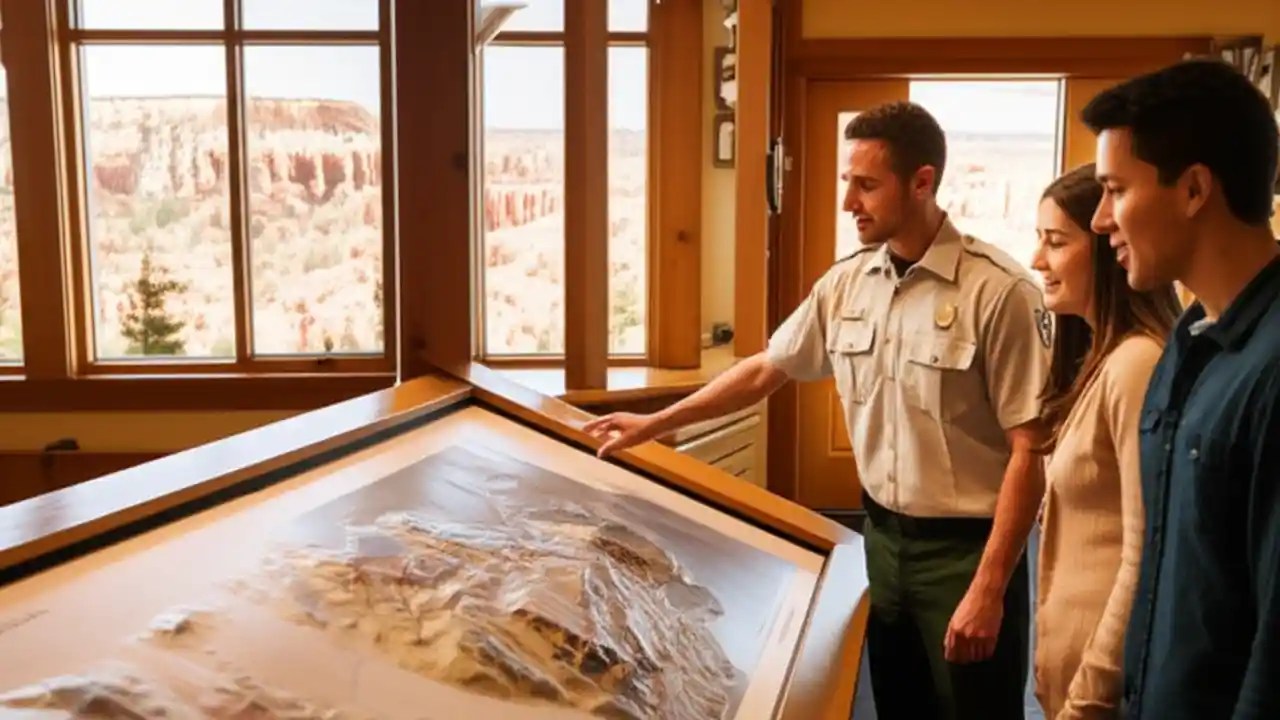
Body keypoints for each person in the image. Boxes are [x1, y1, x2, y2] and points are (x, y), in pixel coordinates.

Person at [583, 100, 1050, 719]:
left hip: (967, 550)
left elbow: (1029, 448)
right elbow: (764, 370)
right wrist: (655, 423)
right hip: (880, 540)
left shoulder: (1000, 292)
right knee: (900, 706)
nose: (848, 202)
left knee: (978, 710)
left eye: (865, 185)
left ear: (922, 182)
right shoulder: (846, 284)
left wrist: (990, 586)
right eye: (846, 183)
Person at [1081, 58, 1280, 719]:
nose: (1100, 220)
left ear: (1194, 189)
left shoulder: (1272, 371)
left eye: (1115, 190)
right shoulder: (1190, 340)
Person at [1027, 163, 1181, 719]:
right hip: (1069, 667)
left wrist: (1089, 696)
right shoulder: (1098, 358)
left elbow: (1142, 555)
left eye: (1055, 242)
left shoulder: (1136, 365)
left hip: (1102, 687)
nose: (1037, 261)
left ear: (1106, 250)